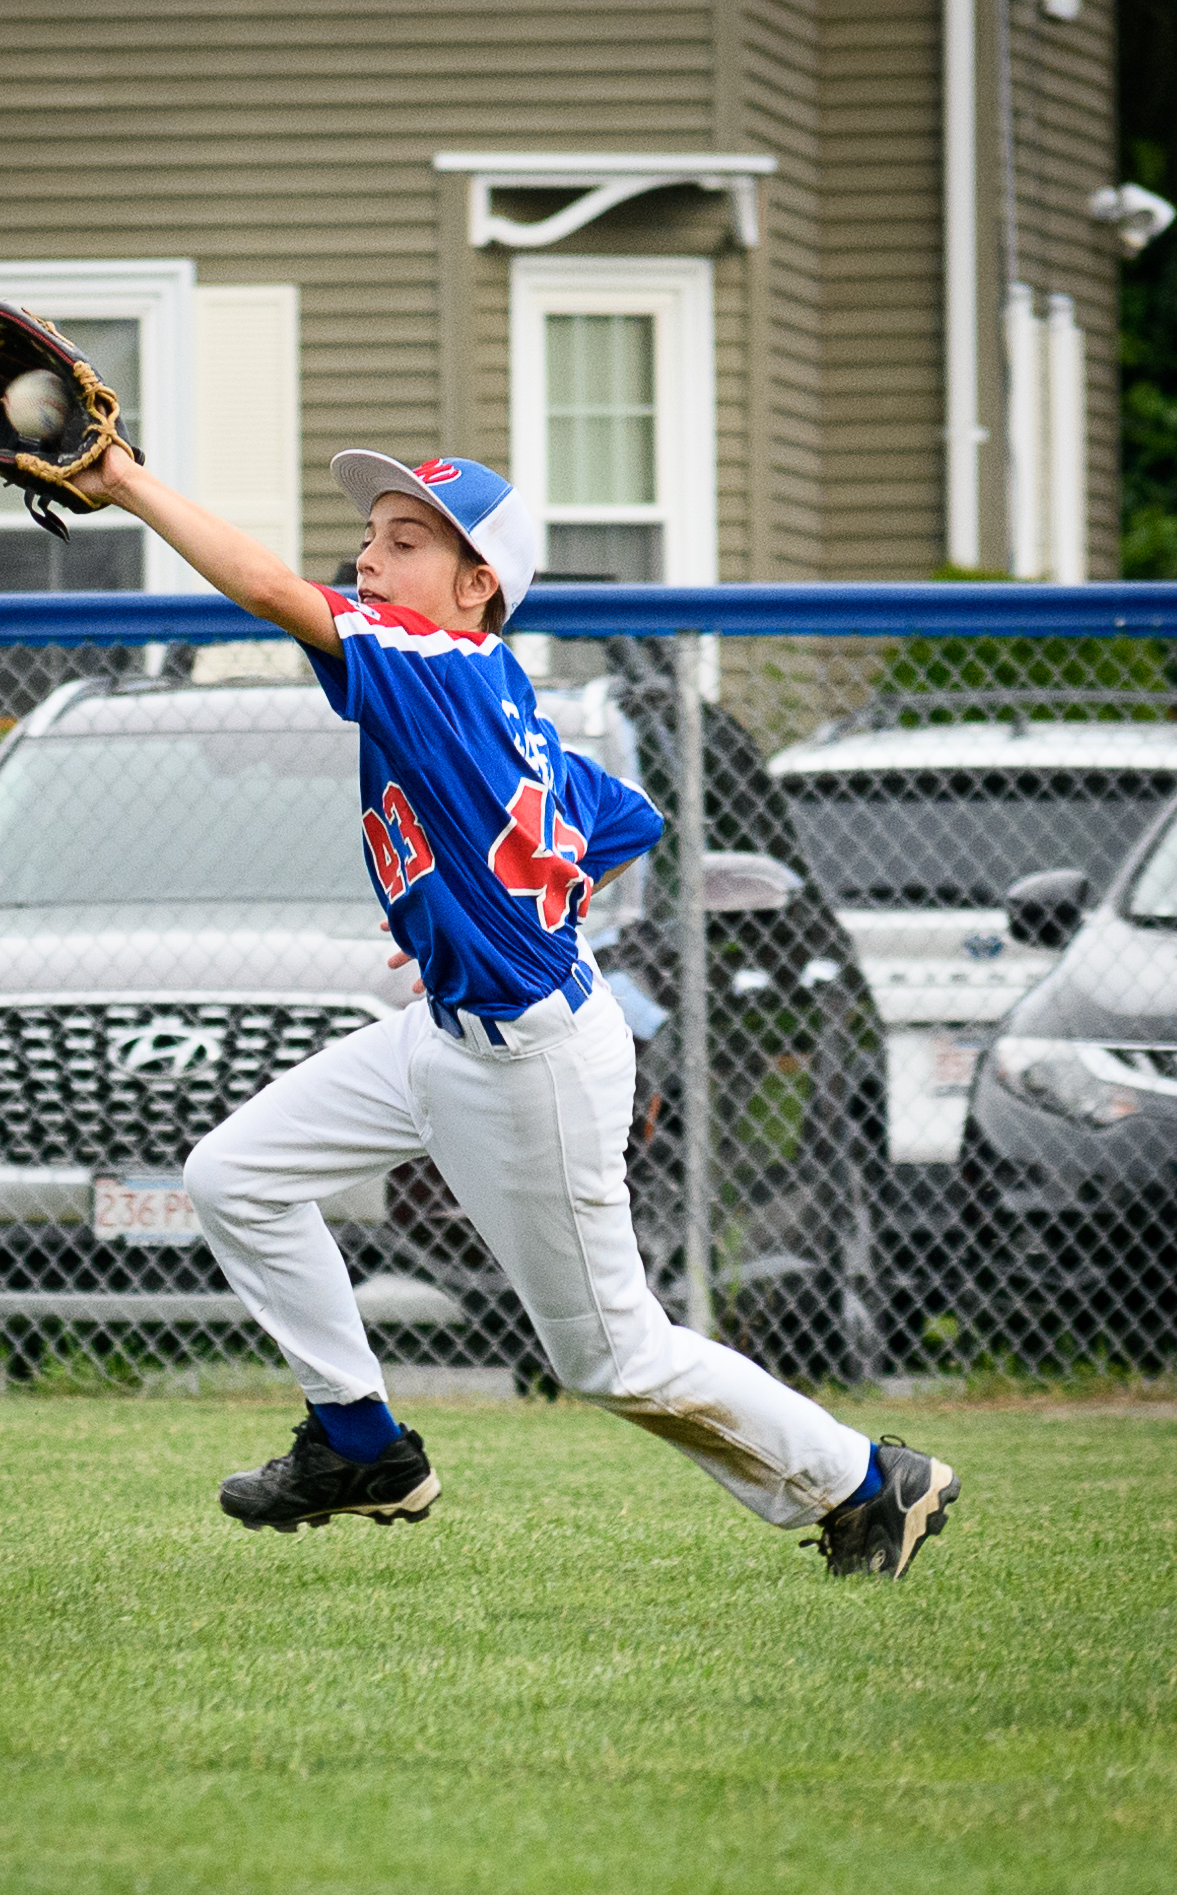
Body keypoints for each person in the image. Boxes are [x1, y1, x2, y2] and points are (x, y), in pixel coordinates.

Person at [74, 444, 961, 1580]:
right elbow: (627, 812)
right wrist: (503, 894)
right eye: (372, 534)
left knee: (608, 1354)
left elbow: (264, 592)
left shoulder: (434, 665)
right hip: (444, 1029)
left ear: (478, 582)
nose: (370, 554)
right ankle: (361, 1446)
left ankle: (866, 1478)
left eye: (407, 540)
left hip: (532, 1062)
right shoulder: (485, 690)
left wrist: (125, 482)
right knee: (235, 1174)